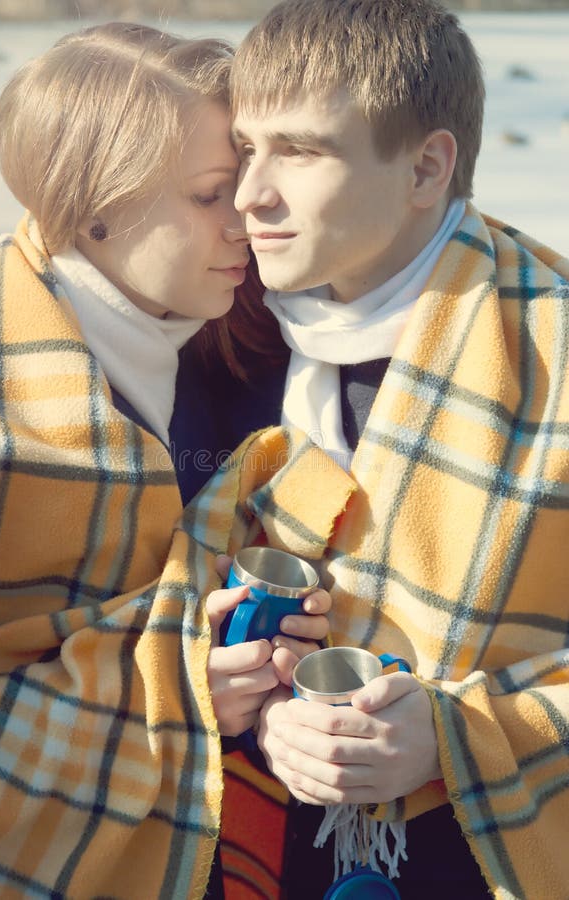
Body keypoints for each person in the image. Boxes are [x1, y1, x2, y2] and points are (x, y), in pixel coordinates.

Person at [200, 1, 569, 897]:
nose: (252, 193)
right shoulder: (224, 332)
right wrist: (228, 694)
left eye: (301, 150)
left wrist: (453, 735)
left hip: (478, 861)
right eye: (247, 147)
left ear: (426, 168)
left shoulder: (550, 356)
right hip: (255, 845)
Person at [0, 22, 330, 897]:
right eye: (212, 192)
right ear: (97, 208)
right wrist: (177, 689)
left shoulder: (243, 334)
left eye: (248, 176)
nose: (248, 212)